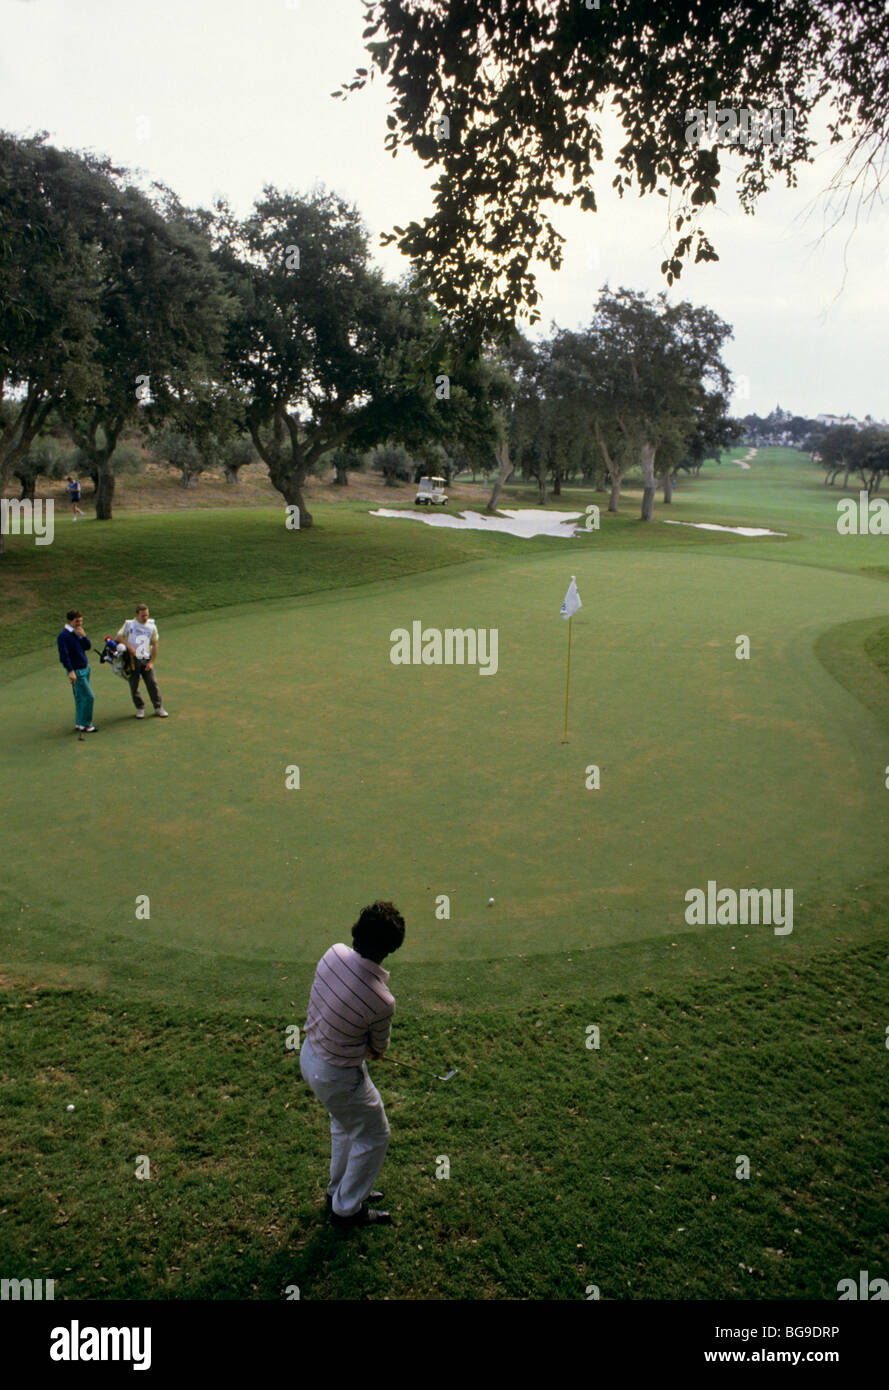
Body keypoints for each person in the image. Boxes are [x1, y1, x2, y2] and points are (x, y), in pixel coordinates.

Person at [300, 901, 406, 1227]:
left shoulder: (332, 953)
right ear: (391, 948)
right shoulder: (382, 999)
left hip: (310, 1057)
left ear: (356, 931)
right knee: (374, 1135)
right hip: (339, 1076)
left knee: (346, 1126)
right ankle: (347, 1209)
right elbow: (378, 1048)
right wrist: (371, 1049)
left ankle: (340, 1189)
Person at [116, 603, 168, 718]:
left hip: (145, 658)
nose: (145, 618)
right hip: (131, 660)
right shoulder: (129, 624)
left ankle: (158, 707)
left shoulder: (151, 626)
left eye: (147, 615)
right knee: (134, 685)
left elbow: (155, 645)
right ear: (137, 615)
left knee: (152, 684)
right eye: (143, 616)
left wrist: (151, 662)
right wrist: (129, 647)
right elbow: (118, 637)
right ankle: (140, 707)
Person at [57, 609, 97, 732]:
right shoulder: (63, 636)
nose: (80, 623)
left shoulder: (78, 632)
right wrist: (70, 671)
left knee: (80, 697)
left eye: (81, 621)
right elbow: (64, 656)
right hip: (77, 671)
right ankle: (87, 724)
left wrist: (84, 636)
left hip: (85, 668)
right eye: (77, 621)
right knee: (89, 697)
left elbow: (88, 647)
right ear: (70, 621)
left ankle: (79, 723)